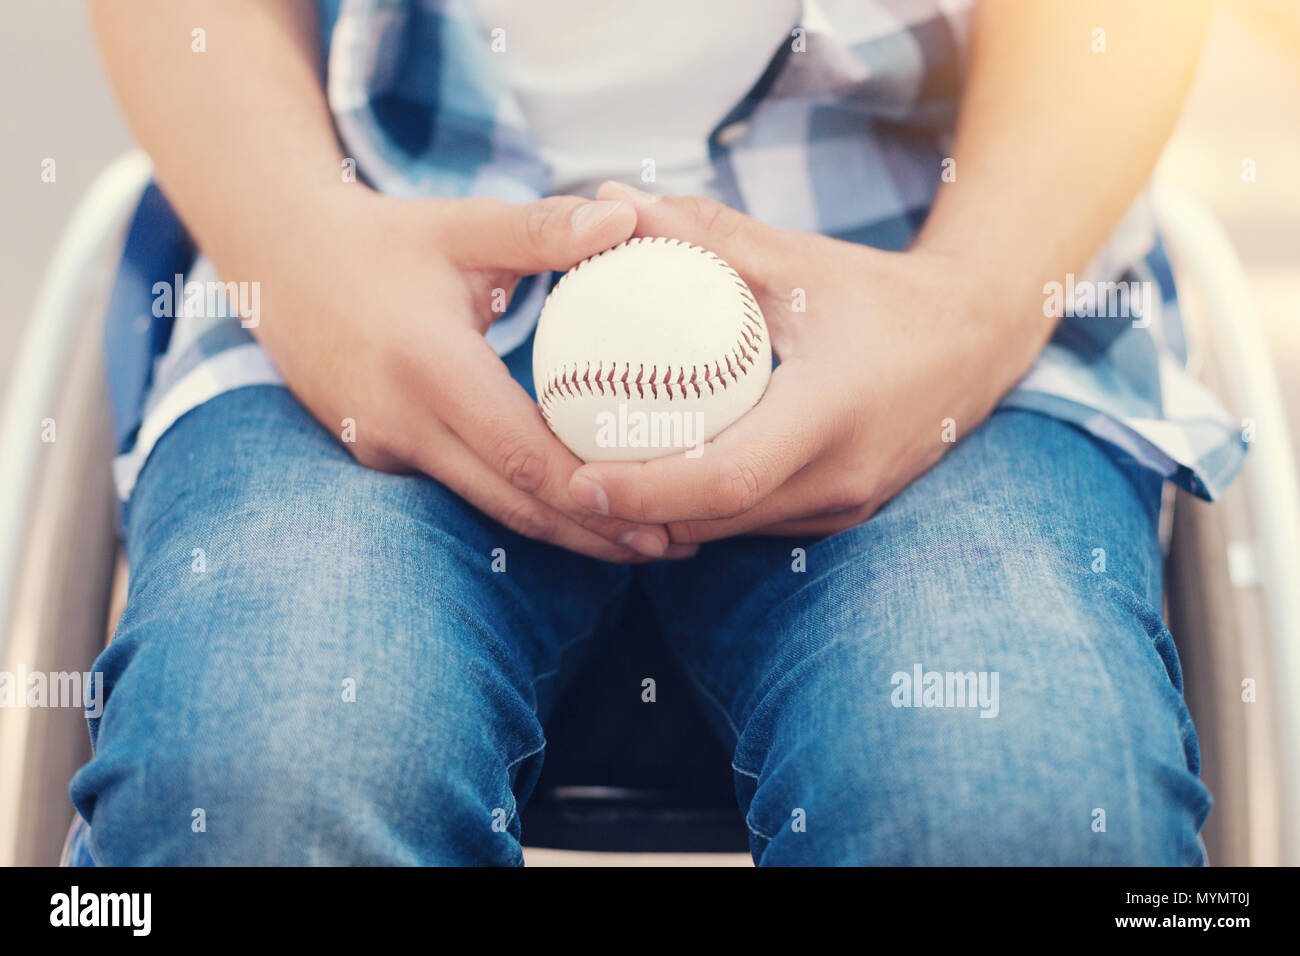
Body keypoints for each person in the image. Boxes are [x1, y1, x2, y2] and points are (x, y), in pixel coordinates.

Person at [71, 0, 1241, 865]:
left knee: (1009, 811)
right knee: (253, 782)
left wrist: (969, 304)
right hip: (371, 250)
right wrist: (300, 246)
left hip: (922, 265)